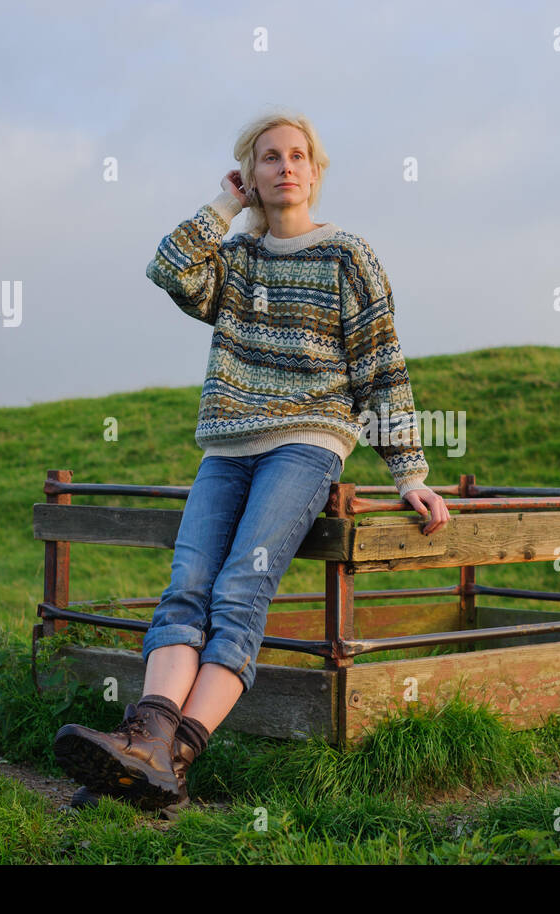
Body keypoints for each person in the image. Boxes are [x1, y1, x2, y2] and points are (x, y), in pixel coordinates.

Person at [53, 111, 451, 814]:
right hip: (228, 444)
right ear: (252, 174)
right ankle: (152, 756)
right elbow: (168, 267)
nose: (286, 166)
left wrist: (409, 474)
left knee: (240, 591)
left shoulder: (347, 257)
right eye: (269, 158)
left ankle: (159, 754)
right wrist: (224, 205)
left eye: (299, 156)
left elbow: (381, 367)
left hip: (307, 440)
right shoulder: (235, 262)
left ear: (316, 171)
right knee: (186, 589)